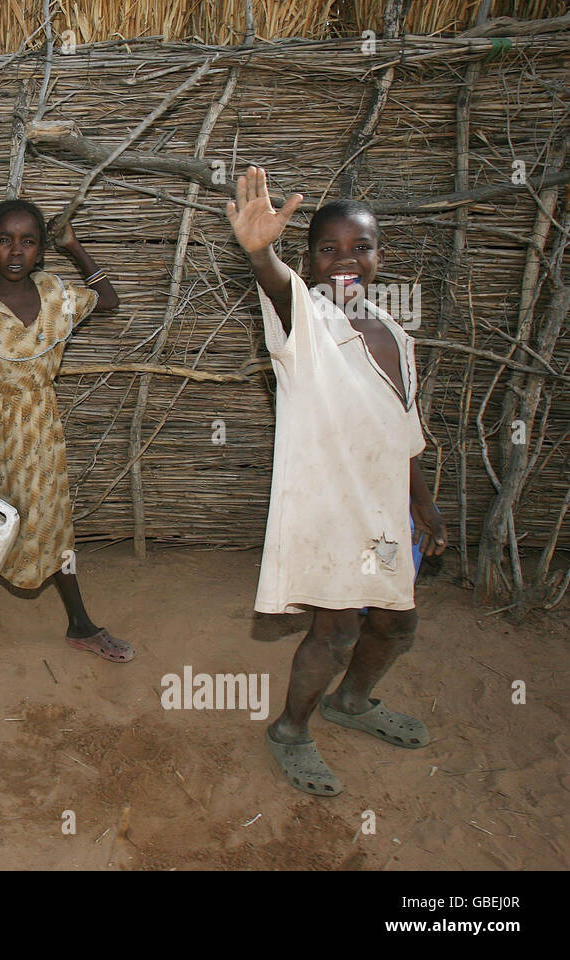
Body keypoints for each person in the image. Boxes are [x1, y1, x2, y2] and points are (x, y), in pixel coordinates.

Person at [225, 166, 447, 796]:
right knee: (337, 629)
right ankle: (291, 730)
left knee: (397, 625)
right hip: (331, 510)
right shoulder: (307, 324)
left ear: (380, 256)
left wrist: (424, 507)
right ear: (308, 260)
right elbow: (278, 289)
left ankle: (351, 702)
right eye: (328, 249)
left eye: (360, 247)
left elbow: (402, 430)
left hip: (385, 511)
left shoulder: (395, 335)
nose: (345, 261)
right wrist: (260, 253)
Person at [0, 199, 135, 669]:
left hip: (41, 429)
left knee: (52, 523)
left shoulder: (56, 296)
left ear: (41, 251)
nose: (15, 251)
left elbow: (109, 299)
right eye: (4, 240)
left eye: (28, 242)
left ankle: (81, 624)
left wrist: (75, 246)